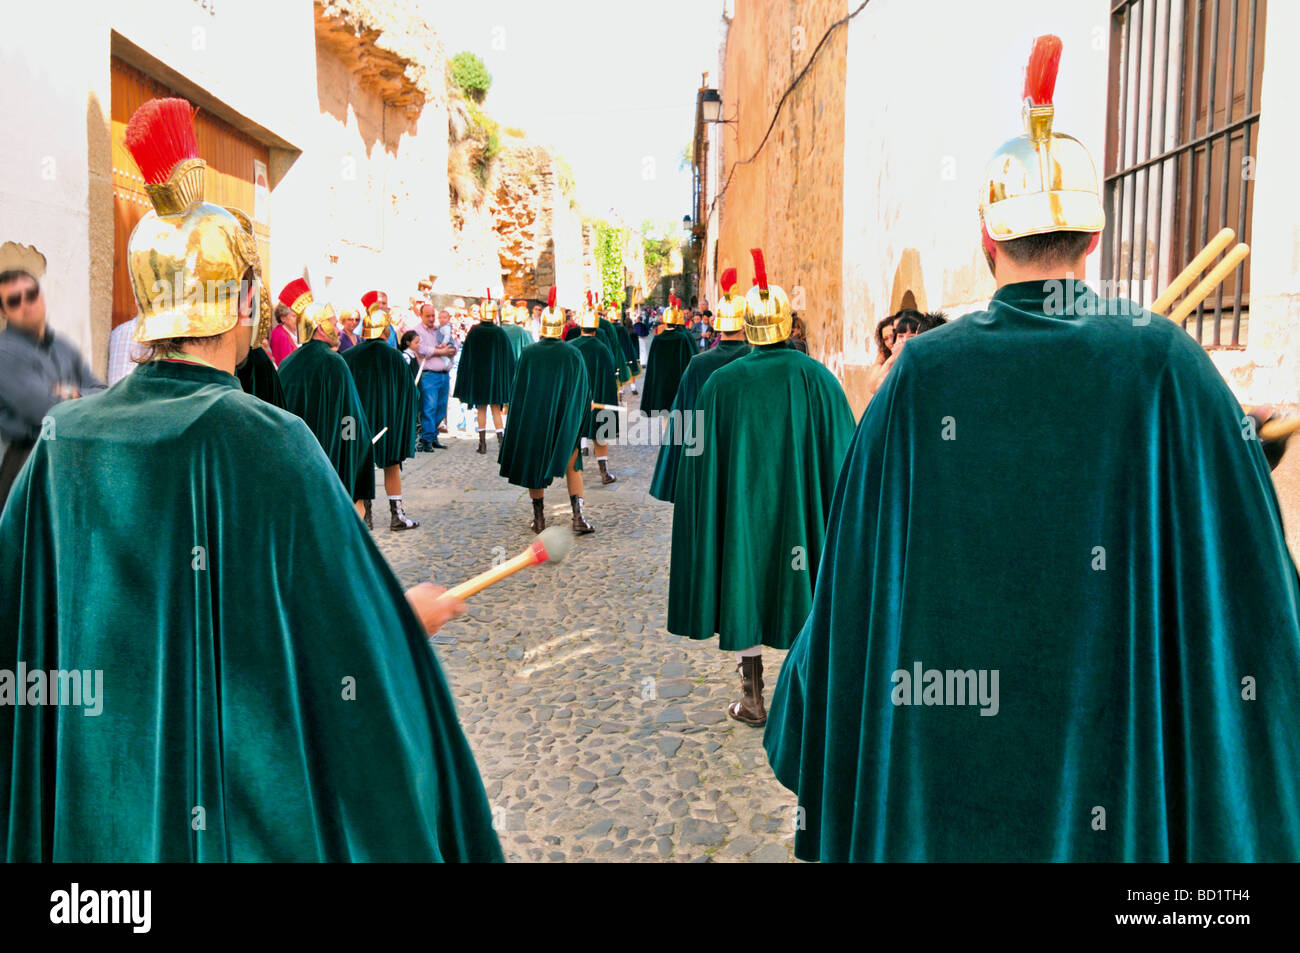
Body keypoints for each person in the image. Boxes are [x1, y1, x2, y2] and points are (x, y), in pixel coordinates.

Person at [764, 35, 1300, 863]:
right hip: (1112, 778)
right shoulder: (1165, 363)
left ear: (987, 238)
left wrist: (808, 694)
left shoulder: (919, 378)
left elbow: (851, 585)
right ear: (1092, 239)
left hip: (947, 779)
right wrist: (1238, 456)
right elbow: (1241, 576)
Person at [0, 96, 500, 862]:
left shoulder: (61, 442)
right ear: (241, 302)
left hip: (92, 831)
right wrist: (402, 623)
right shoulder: (273, 444)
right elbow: (340, 636)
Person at [668, 249, 854, 727]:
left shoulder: (720, 384)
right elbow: (845, 455)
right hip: (799, 513)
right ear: (788, 326)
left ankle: (752, 697)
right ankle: (808, 699)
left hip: (741, 516)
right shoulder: (819, 379)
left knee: (744, 584)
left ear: (747, 327)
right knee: (804, 584)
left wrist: (702, 506)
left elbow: (696, 459)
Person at [0, 242, 105, 509]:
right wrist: (79, 398)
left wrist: (73, 393)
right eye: (14, 300)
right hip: (28, 462)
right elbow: (46, 410)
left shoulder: (62, 346)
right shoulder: (4, 353)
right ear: (3, 311)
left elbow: (103, 392)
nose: (26, 304)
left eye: (31, 294)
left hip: (71, 459)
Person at [649, 267, 751, 503]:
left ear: (718, 325)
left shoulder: (698, 364)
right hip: (746, 459)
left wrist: (675, 474)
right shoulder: (754, 360)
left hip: (706, 459)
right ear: (744, 325)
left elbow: (682, 416)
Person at [498, 286, 594, 534]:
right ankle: (578, 517)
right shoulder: (573, 353)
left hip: (535, 419)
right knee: (573, 466)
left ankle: (539, 518)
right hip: (564, 420)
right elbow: (583, 391)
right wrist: (581, 417)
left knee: (535, 467)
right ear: (561, 327)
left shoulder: (529, 353)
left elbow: (518, 390)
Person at [276, 277, 375, 509]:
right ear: (320, 327)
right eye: (333, 322)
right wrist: (356, 447)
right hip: (327, 460)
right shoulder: (333, 362)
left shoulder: (287, 363)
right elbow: (350, 417)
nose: (339, 328)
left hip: (294, 459)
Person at [344, 291, 420, 530]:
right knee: (391, 465)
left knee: (359, 466)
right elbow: (410, 393)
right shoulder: (395, 357)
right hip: (388, 422)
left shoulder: (348, 356)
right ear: (385, 331)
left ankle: (364, 516)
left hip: (355, 421)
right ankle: (397, 515)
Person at [454, 295, 516, 454]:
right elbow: (508, 357)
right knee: (496, 410)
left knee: (481, 409)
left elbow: (467, 356)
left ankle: (482, 444)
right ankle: (501, 443)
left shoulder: (474, 331)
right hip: (495, 378)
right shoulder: (499, 332)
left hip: (479, 378)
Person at [570, 294, 619, 485]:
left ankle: (573, 472)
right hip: (596, 400)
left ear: (581, 326)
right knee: (599, 435)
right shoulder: (602, 349)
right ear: (596, 327)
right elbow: (609, 378)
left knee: (573, 435)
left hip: (575, 400)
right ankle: (604, 473)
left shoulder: (570, 347)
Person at [640, 294, 697, 417]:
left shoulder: (657, 339)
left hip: (661, 383)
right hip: (677, 381)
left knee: (664, 413)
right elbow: (686, 362)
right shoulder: (682, 338)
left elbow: (653, 365)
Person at [412, 303, 454, 451]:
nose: (431, 319)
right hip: (429, 374)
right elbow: (421, 349)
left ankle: (433, 436)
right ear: (421, 315)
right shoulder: (417, 331)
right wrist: (440, 352)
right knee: (429, 408)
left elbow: (452, 344)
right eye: (428, 316)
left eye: (433, 316)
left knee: (441, 409)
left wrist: (451, 349)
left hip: (444, 374)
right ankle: (427, 439)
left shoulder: (439, 330)